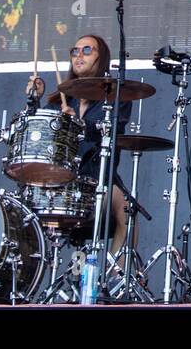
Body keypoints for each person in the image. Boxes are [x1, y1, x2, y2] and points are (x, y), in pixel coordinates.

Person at [25, 34, 132, 253]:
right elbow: (40, 139)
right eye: (75, 51)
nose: (79, 55)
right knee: (21, 210)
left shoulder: (116, 98)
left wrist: (78, 124)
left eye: (86, 50)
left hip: (97, 181)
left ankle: (115, 279)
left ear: (100, 59)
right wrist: (33, 101)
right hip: (59, 180)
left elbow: (111, 131)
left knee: (126, 209)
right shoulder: (58, 102)